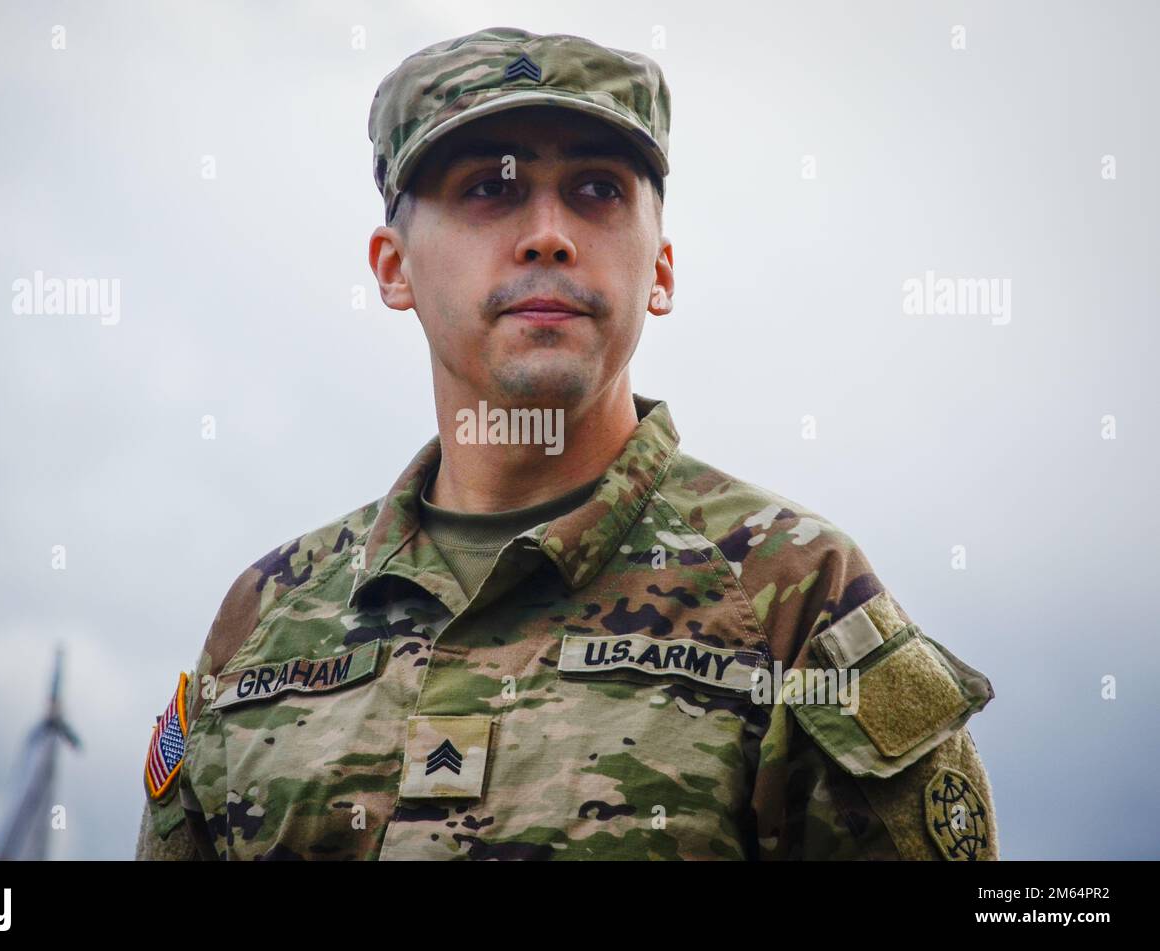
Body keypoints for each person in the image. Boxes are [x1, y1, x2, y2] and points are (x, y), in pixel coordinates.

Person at [136, 26, 998, 861]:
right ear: (393, 267)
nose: (549, 233)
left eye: (596, 191)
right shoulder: (262, 623)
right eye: (488, 189)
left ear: (659, 269)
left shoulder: (797, 599)